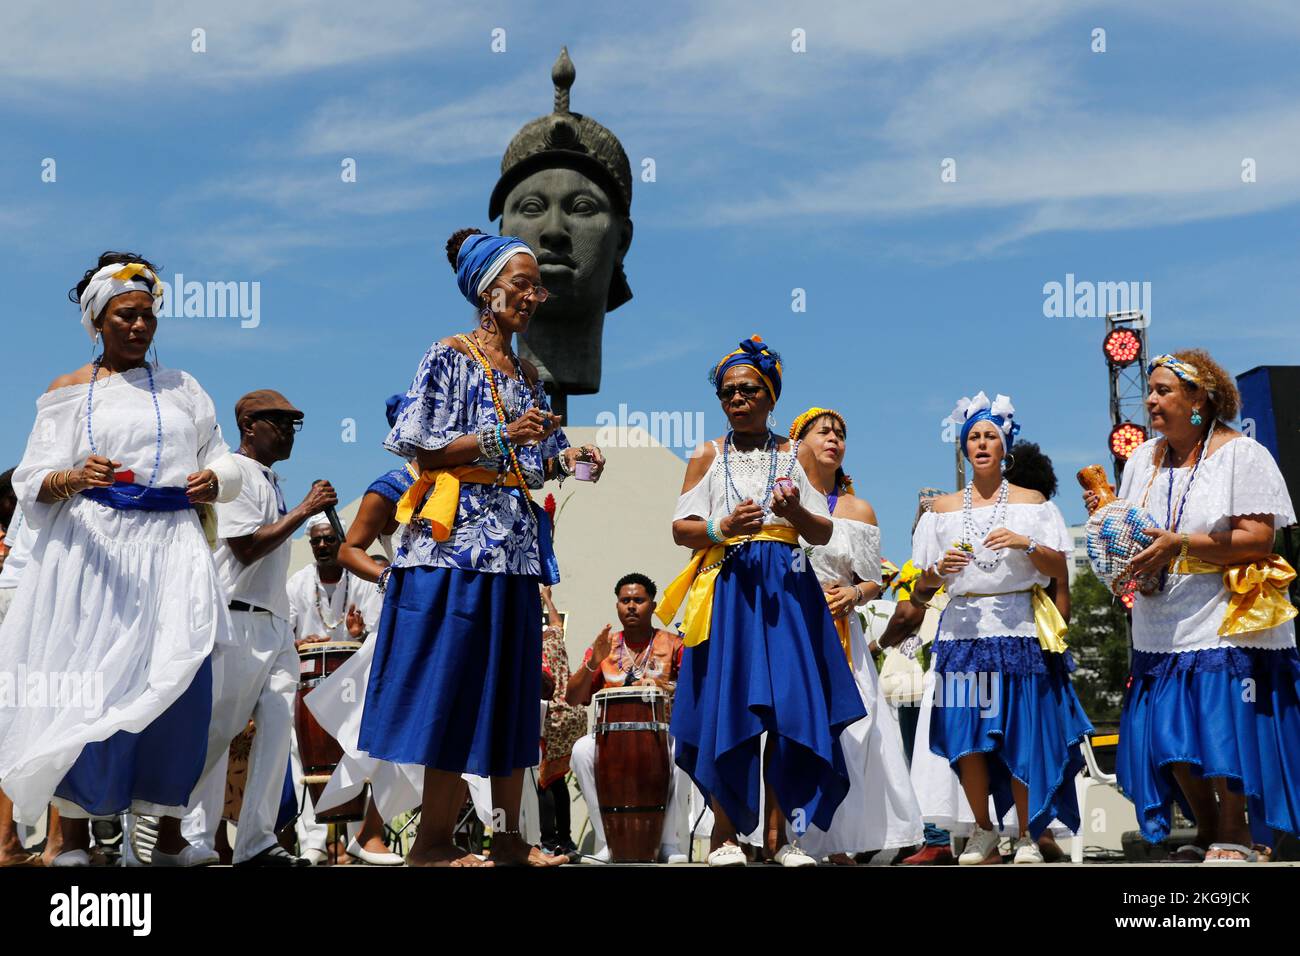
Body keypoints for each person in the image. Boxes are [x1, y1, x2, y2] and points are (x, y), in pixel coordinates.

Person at [356, 228, 604, 866]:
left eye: (535, 286)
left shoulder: (527, 373)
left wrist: (575, 458)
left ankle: (510, 840)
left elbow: (541, 457)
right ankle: (433, 843)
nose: (532, 296)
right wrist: (499, 439)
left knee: (511, 693)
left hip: (515, 553)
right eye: (521, 284)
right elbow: (421, 447)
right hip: (454, 549)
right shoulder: (447, 355)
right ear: (486, 291)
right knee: (457, 689)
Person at [0, 252, 242, 866]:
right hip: (97, 555)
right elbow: (30, 480)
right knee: (91, 688)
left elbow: (224, 457)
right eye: (126, 317)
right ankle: (75, 840)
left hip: (173, 548)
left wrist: (216, 480)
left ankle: (165, 840)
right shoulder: (67, 392)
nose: (140, 327)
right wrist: (75, 476)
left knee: (178, 682)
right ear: (97, 323)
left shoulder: (185, 387)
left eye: (148, 316)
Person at [659, 335, 865, 867]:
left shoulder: (792, 455)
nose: (736, 399)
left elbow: (821, 532)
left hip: (788, 589)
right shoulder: (707, 453)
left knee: (789, 709)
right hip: (730, 590)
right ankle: (726, 836)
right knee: (731, 706)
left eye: (748, 389)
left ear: (771, 395)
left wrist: (794, 513)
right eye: (727, 392)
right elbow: (682, 530)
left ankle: (784, 840)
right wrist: (719, 526)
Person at [1090, 351, 1300, 863]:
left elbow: (1257, 537)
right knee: (1169, 733)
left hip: (1222, 612)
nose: (1151, 400)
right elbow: (1135, 531)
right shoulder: (1142, 458)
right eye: (1151, 391)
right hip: (1159, 615)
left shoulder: (1241, 454)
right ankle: (1206, 831)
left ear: (1198, 400)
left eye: (1163, 391)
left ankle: (1238, 834)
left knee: (1220, 725)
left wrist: (1179, 545)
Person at [910, 392, 1092, 865]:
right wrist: (937, 570)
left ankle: (1029, 834)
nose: (982, 443)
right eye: (974, 436)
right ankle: (983, 831)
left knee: (1021, 734)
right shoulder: (942, 509)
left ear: (1006, 443)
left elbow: (1057, 568)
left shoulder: (1034, 503)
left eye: (991, 435)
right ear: (963, 448)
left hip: (1018, 630)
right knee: (966, 733)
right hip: (962, 632)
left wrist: (1024, 541)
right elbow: (920, 585)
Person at [180, 388, 336, 867]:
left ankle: (256, 841)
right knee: (219, 731)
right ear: (249, 425)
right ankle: (190, 840)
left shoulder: (268, 477)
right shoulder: (236, 472)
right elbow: (246, 547)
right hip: (236, 619)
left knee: (276, 732)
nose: (289, 431)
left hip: (272, 624)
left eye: (294, 423)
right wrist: (305, 511)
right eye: (279, 422)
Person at [790, 407, 924, 864]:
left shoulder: (857, 508)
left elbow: (873, 581)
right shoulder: (783, 497)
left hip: (841, 637)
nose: (833, 439)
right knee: (794, 731)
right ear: (798, 441)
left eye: (841, 434)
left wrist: (852, 592)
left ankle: (838, 842)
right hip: (789, 631)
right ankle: (790, 839)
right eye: (823, 431)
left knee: (854, 733)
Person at [288, 514, 398, 865]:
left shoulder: (363, 580)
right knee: (299, 757)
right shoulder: (297, 584)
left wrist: (356, 635)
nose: (322, 546)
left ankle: (360, 838)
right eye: (316, 541)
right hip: (306, 688)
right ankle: (313, 843)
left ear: (341, 540)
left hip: (354, 687)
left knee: (357, 755)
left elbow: (380, 635)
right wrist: (298, 642)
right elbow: (282, 636)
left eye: (329, 539)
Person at [565, 573, 687, 862]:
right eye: (625, 600)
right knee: (581, 750)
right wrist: (593, 662)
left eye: (639, 600)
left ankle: (669, 842)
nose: (631, 606)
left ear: (653, 605)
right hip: (612, 741)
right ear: (617, 605)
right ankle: (608, 841)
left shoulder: (672, 644)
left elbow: (696, 690)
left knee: (685, 751)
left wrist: (662, 685)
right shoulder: (605, 647)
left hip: (661, 735)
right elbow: (572, 697)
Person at [538, 584, 586, 858]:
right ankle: (566, 840)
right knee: (558, 780)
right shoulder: (554, 636)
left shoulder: (524, 644)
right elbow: (556, 620)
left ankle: (549, 840)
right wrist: (547, 597)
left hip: (549, 717)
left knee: (543, 780)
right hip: (572, 714)